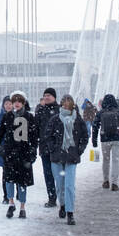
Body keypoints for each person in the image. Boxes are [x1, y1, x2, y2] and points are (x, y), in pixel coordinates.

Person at [50, 94, 89, 224]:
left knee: (69, 185)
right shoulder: (55, 119)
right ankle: (62, 204)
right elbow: (48, 136)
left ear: (72, 105)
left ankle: (70, 212)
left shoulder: (78, 120)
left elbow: (85, 136)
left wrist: (79, 150)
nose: (66, 106)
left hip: (72, 156)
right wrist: (53, 148)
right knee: (60, 185)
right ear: (61, 105)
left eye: (69, 104)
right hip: (57, 157)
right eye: (64, 104)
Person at [0, 91, 38, 219]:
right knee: (9, 180)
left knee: (22, 182)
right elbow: (0, 133)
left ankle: (22, 207)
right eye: (14, 101)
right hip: (10, 153)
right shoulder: (7, 117)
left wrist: (33, 151)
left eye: (19, 101)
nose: (16, 103)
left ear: (23, 103)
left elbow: (34, 136)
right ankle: (11, 203)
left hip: (24, 153)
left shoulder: (29, 117)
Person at [91, 93, 119, 192]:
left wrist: (94, 141)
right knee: (116, 161)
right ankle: (115, 183)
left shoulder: (101, 113)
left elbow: (95, 127)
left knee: (106, 160)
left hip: (105, 139)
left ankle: (106, 181)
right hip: (117, 139)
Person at [33, 87, 61, 208]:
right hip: (44, 147)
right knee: (48, 174)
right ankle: (52, 197)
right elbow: (35, 130)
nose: (46, 97)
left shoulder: (60, 110)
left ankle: (62, 198)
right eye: (45, 95)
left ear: (54, 97)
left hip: (58, 148)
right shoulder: (40, 111)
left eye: (48, 95)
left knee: (59, 174)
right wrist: (34, 145)